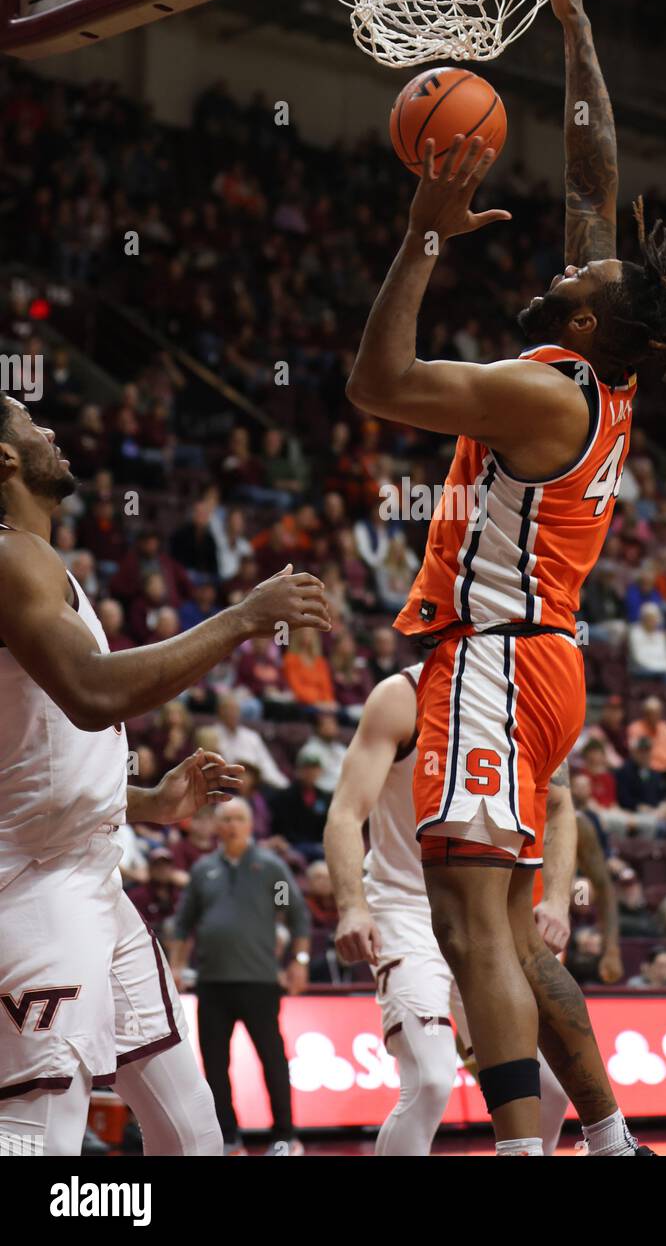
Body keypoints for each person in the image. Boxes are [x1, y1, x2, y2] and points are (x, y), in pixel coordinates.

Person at [346, 0, 666, 1155]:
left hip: (498, 664)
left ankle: (518, 1148)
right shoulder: (599, 373)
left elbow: (378, 381)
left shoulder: (544, 390)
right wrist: (572, 29)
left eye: (577, 272)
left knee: (466, 927)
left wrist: (419, 233)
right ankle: (608, 1140)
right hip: (540, 667)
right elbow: (594, 180)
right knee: (503, 932)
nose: (567, 257)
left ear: (579, 321)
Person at [0, 394, 329, 1156]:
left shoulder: (41, 562)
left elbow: (37, 750)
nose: (52, 430)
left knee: (195, 1134)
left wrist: (147, 802)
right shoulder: (13, 554)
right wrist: (243, 617)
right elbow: (93, 694)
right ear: (6, 460)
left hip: (90, 880)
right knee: (39, 1138)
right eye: (30, 424)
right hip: (35, 893)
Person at [325, 668, 584, 1156]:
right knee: (430, 1080)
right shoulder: (401, 696)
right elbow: (345, 812)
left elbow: (562, 808)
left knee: (549, 1087)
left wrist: (555, 900)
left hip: (487, 914)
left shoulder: (529, 698)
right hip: (405, 906)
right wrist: (351, 907)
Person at [170, 797, 312, 1155]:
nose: (232, 825)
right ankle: (228, 1137)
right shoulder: (204, 871)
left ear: (251, 825)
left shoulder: (270, 869)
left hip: (260, 982)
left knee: (273, 1061)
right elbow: (183, 923)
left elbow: (295, 915)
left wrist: (299, 959)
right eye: (226, 819)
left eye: (238, 818)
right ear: (217, 827)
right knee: (215, 1066)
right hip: (212, 983)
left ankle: (284, 1136)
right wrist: (175, 965)